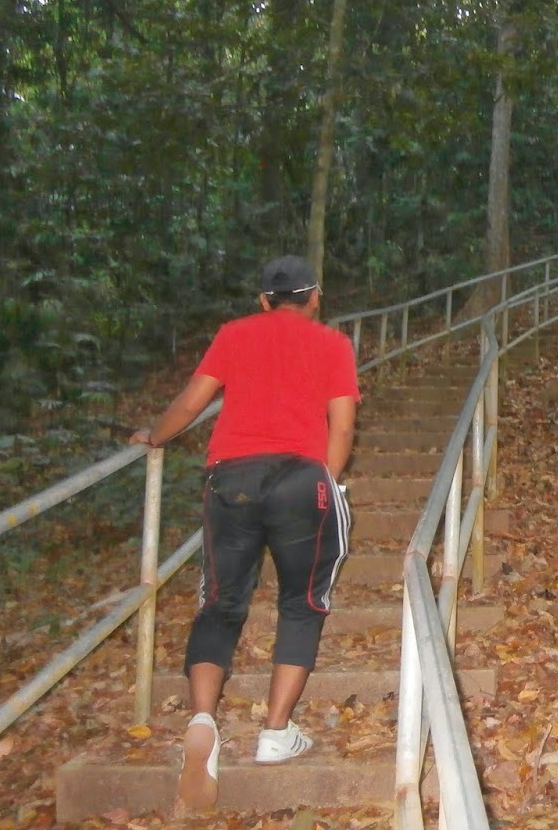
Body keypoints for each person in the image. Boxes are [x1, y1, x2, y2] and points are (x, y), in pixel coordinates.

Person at [129, 255, 358, 812]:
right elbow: (343, 424)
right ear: (315, 296)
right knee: (301, 603)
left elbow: (191, 403)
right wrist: (326, 482)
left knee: (219, 603)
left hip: (229, 478)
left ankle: (203, 719)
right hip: (300, 478)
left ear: (263, 300)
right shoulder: (333, 344)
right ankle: (276, 733)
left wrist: (153, 436)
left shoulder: (234, 334)